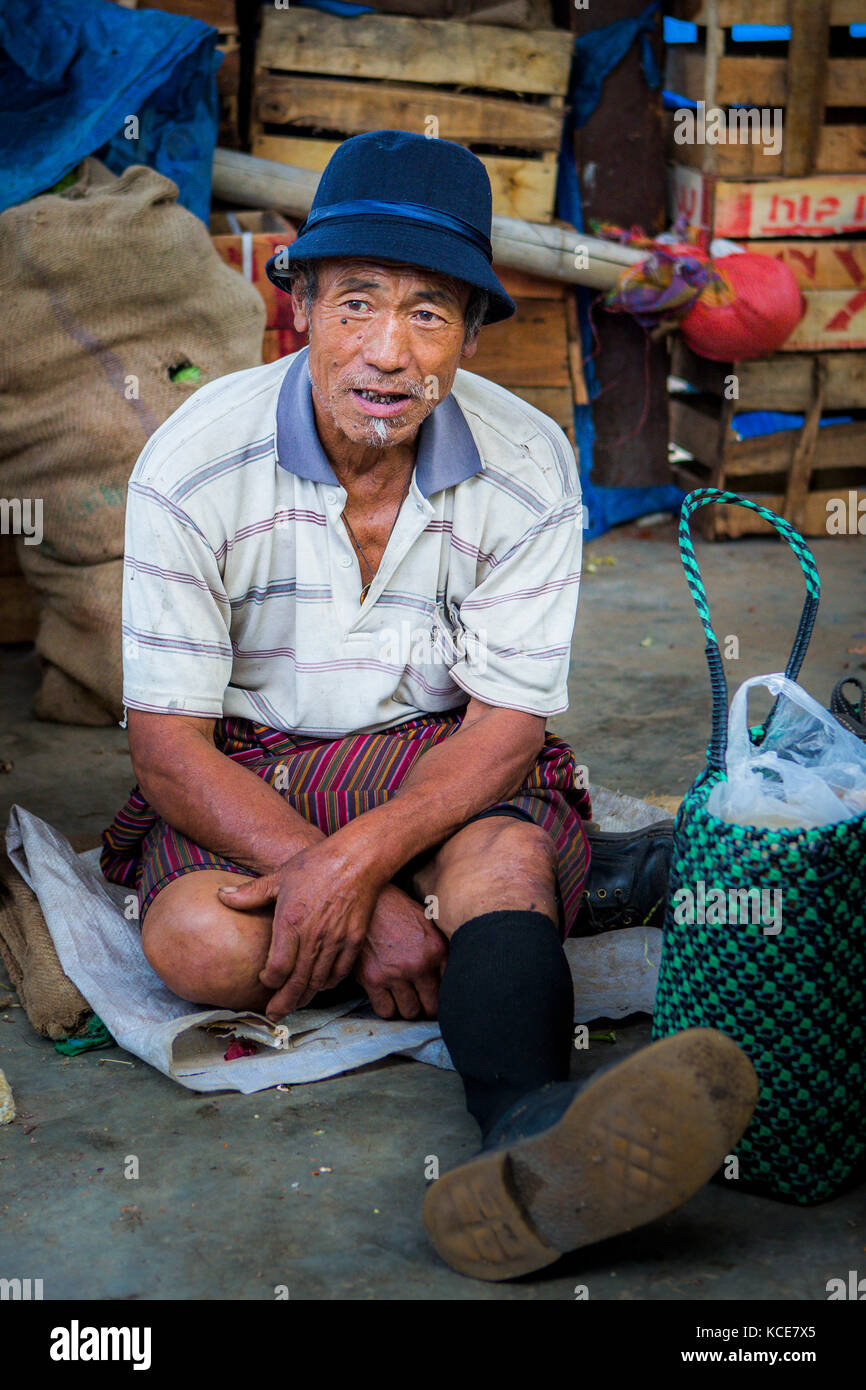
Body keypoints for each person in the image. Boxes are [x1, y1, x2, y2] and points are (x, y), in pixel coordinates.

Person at [101, 130, 758, 1281]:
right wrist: (369, 894)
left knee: (497, 864)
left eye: (429, 314)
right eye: (356, 303)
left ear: (465, 335)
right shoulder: (192, 463)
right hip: (258, 760)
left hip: (440, 752)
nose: (389, 354)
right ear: (296, 304)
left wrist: (352, 871)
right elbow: (165, 751)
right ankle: (569, 895)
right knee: (198, 941)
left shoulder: (526, 462)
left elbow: (502, 726)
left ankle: (527, 1130)